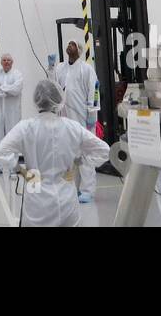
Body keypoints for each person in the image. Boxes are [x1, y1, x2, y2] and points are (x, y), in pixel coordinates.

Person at [0, 80, 110, 226]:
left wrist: (20, 170)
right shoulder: (72, 127)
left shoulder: (25, 128)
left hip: (36, 201)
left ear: (36, 101)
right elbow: (104, 151)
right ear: (60, 101)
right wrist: (78, 162)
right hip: (67, 204)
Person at [52, 41, 99, 203]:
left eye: (72, 44)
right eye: (68, 44)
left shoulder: (86, 69)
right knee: (68, 155)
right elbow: (54, 87)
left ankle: (87, 190)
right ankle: (71, 188)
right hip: (64, 118)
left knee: (85, 155)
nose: (69, 46)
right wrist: (50, 68)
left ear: (78, 50)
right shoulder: (60, 68)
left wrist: (92, 113)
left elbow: (94, 90)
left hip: (82, 118)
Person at [0, 53, 23, 146]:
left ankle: (14, 158)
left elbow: (17, 89)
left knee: (13, 137)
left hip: (13, 113)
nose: (6, 62)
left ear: (12, 62)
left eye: (8, 60)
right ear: (1, 62)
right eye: (4, 60)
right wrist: (8, 90)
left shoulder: (17, 74)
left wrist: (1, 88)